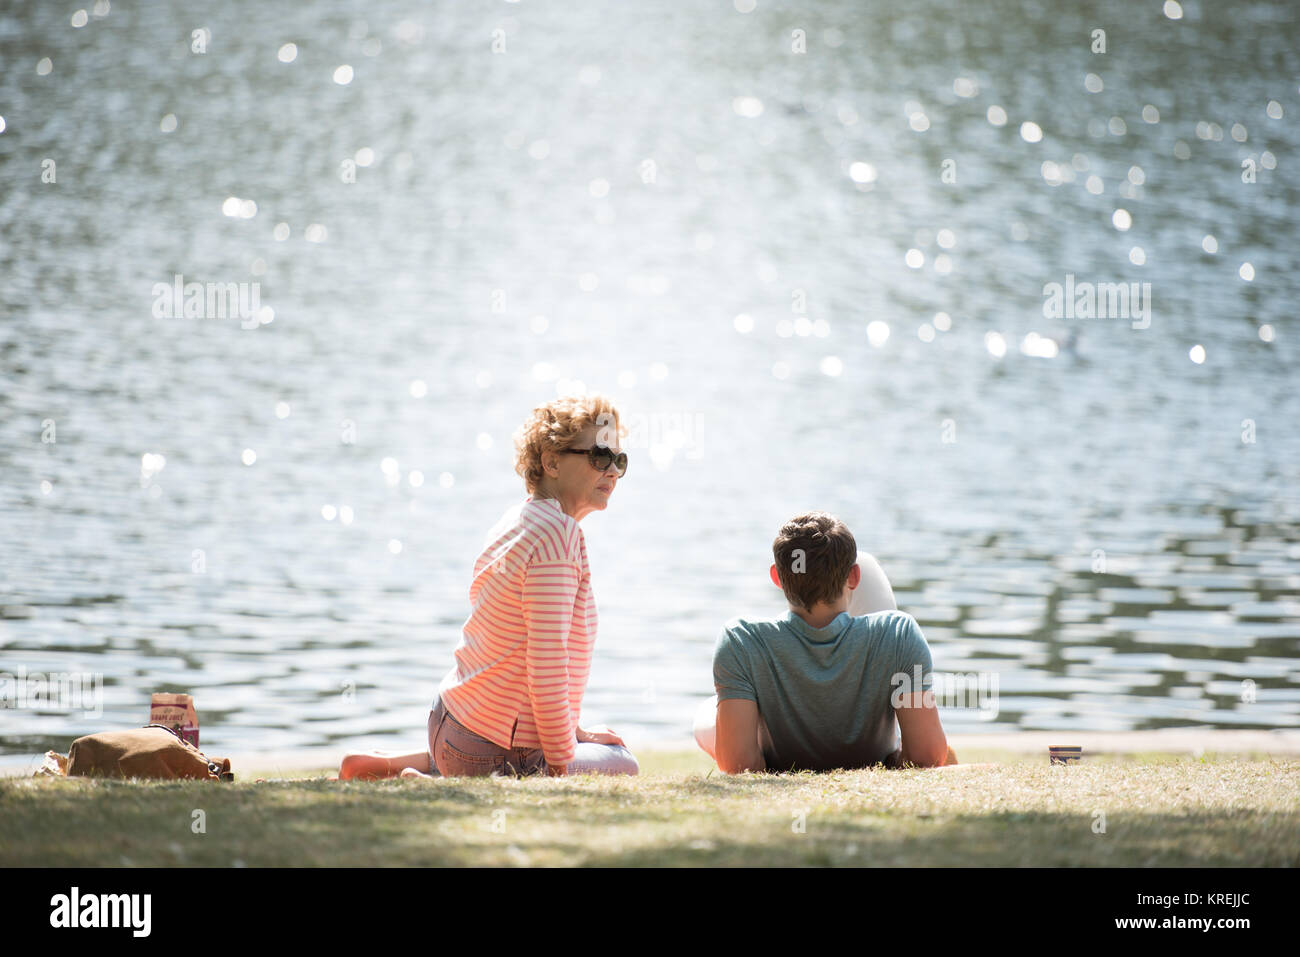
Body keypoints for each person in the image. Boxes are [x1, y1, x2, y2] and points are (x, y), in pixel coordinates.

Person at [339, 394, 638, 780]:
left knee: (592, 749)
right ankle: (435, 784)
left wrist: (573, 729)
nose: (612, 472)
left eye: (620, 460)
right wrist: (562, 763)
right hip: (492, 748)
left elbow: (515, 649)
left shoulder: (519, 520)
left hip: (449, 720)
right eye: (600, 457)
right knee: (624, 764)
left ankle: (401, 765)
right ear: (551, 461)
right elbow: (546, 663)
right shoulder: (558, 536)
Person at [693, 511, 957, 773]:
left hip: (775, 744)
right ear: (854, 577)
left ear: (776, 578)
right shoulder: (899, 632)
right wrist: (888, 762)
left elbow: (740, 765)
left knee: (706, 714)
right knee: (866, 567)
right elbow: (925, 755)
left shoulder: (740, 639)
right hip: (877, 737)